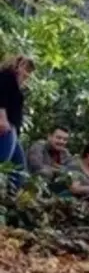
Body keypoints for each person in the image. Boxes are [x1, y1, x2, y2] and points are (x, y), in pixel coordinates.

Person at [0, 54, 35, 194]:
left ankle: (10, 195)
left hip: (12, 127)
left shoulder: (14, 82)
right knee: (4, 163)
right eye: (26, 69)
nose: (27, 74)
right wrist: (2, 119)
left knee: (18, 168)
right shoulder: (6, 77)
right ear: (17, 66)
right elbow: (1, 98)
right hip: (7, 125)